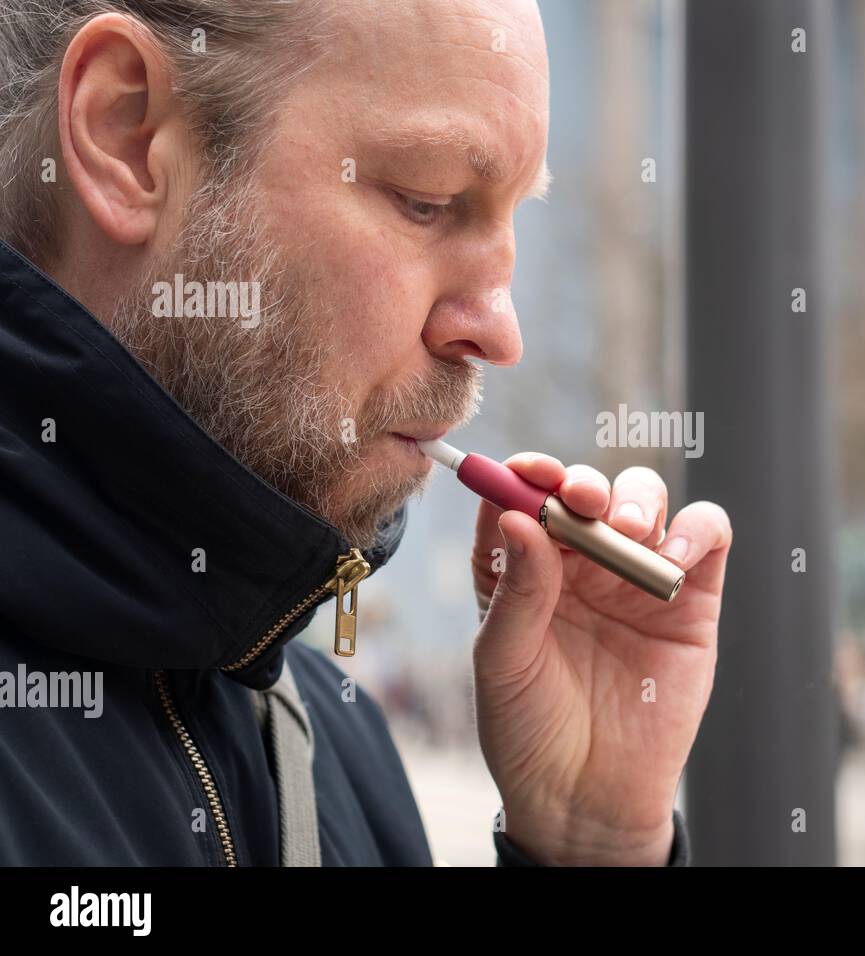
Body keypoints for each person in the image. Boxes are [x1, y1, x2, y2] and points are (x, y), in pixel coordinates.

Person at [0, 0, 732, 866]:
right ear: (125, 134)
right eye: (427, 202)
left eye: (510, 219)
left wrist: (589, 845)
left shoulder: (329, 738)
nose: (500, 333)